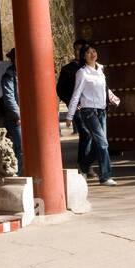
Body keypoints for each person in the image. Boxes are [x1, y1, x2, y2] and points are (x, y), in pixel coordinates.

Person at [65, 44, 121, 185]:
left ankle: (83, 167)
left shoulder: (100, 69)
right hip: (88, 111)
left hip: (101, 110)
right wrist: (70, 116)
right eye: (88, 52)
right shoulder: (82, 72)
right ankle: (105, 176)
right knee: (103, 143)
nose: (92, 54)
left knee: (99, 145)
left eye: (94, 51)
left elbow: (104, 89)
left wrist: (113, 98)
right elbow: (76, 93)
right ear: (84, 56)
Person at [57, 39, 91, 170]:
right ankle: (85, 165)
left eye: (81, 49)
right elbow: (60, 89)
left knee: (90, 135)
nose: (78, 52)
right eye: (76, 49)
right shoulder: (68, 69)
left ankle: (83, 163)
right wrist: (70, 102)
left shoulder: (91, 67)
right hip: (77, 107)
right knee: (86, 133)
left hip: (92, 106)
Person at [0, 48, 23, 175]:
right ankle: (19, 176)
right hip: (15, 118)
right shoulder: (8, 76)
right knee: (21, 149)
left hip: (29, 117)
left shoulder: (28, 73)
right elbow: (9, 99)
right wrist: (19, 115)